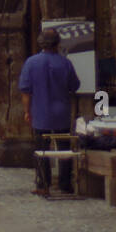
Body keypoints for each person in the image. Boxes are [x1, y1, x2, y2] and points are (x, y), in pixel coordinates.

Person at [19, 28, 80, 196]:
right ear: (57, 44)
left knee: (41, 149)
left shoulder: (31, 63)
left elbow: (25, 90)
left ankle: (43, 184)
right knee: (64, 149)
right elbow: (74, 85)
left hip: (40, 112)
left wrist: (27, 111)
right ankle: (65, 184)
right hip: (61, 112)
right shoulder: (65, 63)